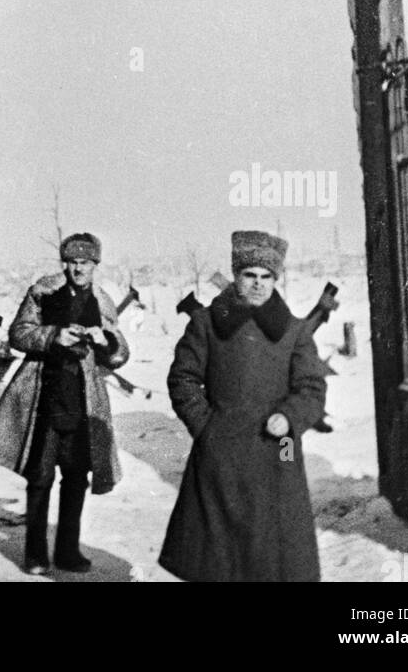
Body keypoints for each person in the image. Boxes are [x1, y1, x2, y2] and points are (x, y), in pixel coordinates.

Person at [159, 230, 325, 582]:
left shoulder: (294, 331)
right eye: (250, 275)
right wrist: (206, 427)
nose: (258, 284)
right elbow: (183, 380)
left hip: (279, 450)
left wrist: (290, 417)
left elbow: (312, 388)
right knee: (220, 557)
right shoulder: (206, 323)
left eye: (267, 277)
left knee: (275, 555)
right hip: (221, 451)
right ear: (236, 276)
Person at [0, 232, 129, 575]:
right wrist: (52, 336)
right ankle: (35, 554)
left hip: (84, 401)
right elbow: (19, 334)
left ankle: (67, 552)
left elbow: (120, 353)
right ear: (66, 264)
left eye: (86, 264)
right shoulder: (44, 292)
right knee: (40, 477)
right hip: (44, 398)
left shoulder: (103, 301)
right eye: (73, 263)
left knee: (77, 477)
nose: (79, 269)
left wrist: (103, 338)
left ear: (95, 266)